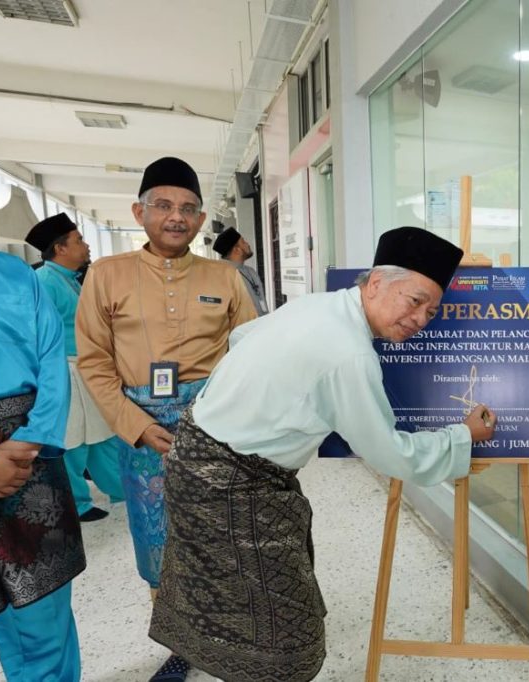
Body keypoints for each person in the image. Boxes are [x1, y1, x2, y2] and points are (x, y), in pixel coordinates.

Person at [149, 226, 497, 681]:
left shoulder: (318, 304)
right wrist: (463, 436)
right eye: (414, 301)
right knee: (282, 632)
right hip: (230, 485)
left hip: (195, 453)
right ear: (375, 283)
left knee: (226, 595)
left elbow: (242, 339)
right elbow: (392, 453)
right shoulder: (349, 353)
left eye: (432, 310)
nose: (421, 319)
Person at [75, 156, 257, 682]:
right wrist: (132, 424)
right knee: (159, 542)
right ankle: (180, 643)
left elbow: (251, 352)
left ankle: (230, 634)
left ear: (202, 220)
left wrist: (233, 421)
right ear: (140, 211)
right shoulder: (107, 276)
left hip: (217, 426)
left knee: (225, 534)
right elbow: (94, 360)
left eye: (187, 209)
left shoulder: (224, 277)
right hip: (142, 427)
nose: (175, 217)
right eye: (163, 205)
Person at [0, 246, 85, 682]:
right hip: (22, 456)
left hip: (26, 464)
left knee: (44, 622)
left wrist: (31, 441)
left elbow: (52, 363)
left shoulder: (13, 273)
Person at [27, 213, 125, 523]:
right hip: (64, 372)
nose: (85, 246)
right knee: (74, 442)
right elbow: (35, 333)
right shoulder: (44, 282)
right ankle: (78, 503)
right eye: (79, 240)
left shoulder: (73, 279)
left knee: (104, 435)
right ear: (60, 248)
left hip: (87, 368)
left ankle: (122, 490)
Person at [212, 227, 269, 315]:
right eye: (243, 242)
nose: (247, 244)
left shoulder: (251, 271)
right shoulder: (221, 276)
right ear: (237, 250)